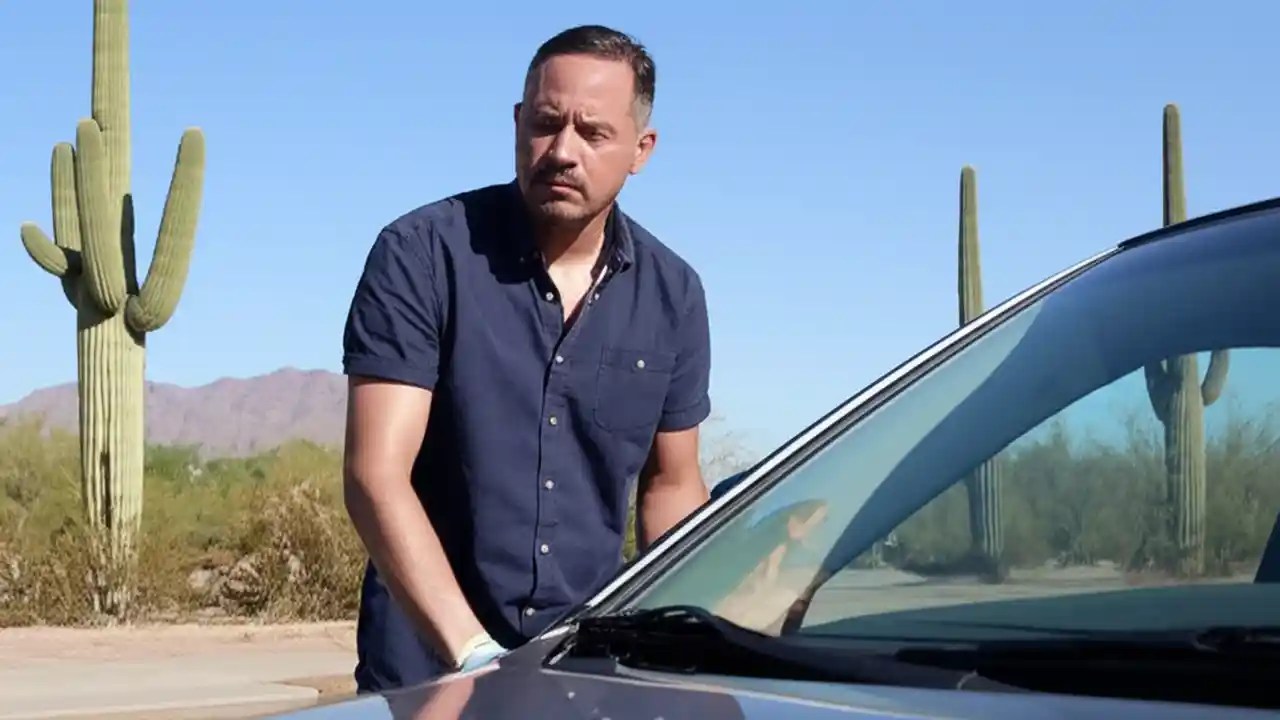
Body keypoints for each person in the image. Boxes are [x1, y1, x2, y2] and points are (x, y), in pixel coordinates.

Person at [340, 24, 713, 693]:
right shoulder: (423, 256)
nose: (562, 150)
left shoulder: (673, 293)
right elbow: (376, 473)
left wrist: (700, 634)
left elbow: (670, 487)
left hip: (588, 672)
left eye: (593, 133)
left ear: (641, 150)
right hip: (427, 674)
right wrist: (474, 653)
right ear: (518, 123)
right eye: (546, 123)